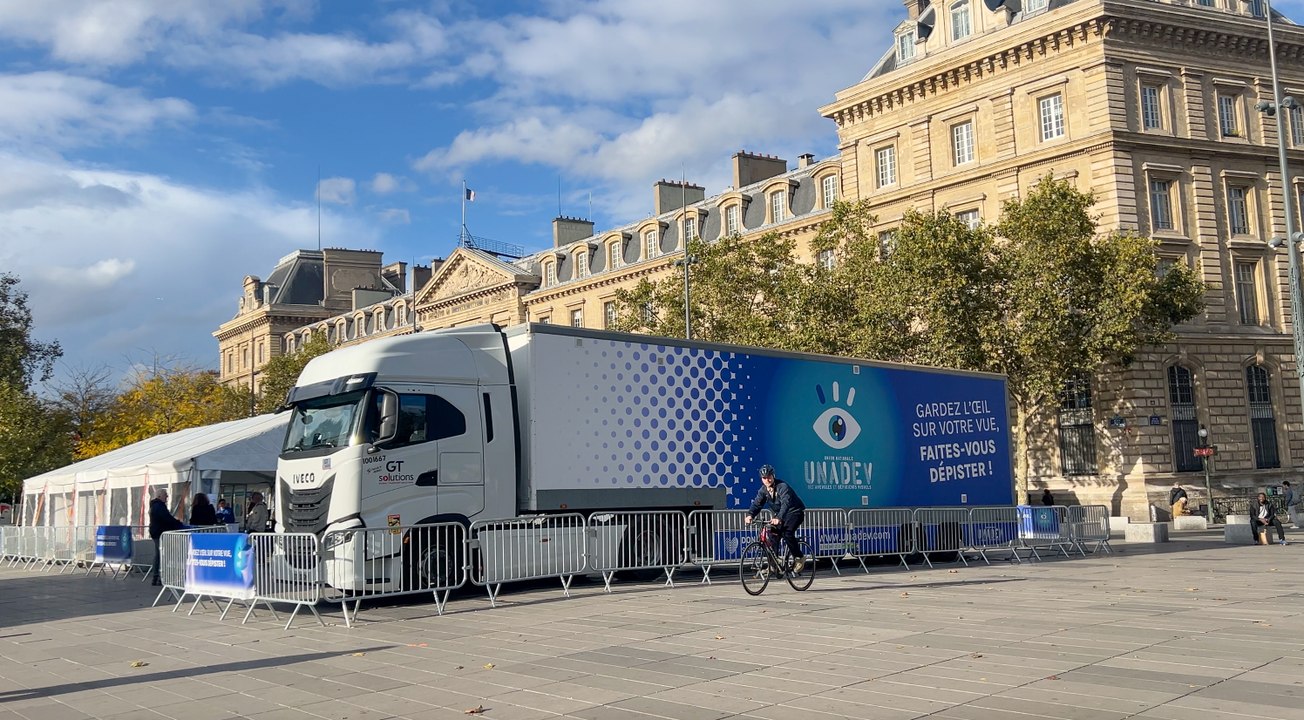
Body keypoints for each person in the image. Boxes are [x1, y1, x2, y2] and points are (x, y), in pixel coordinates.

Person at [743, 464, 807, 573]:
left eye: (769, 477)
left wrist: (778, 517)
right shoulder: (763, 490)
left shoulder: (782, 487)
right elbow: (757, 504)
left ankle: (799, 557)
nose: (767, 480)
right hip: (781, 515)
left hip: (795, 512)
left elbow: (786, 504)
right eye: (764, 478)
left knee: (787, 532)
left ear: (773, 476)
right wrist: (750, 515)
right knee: (772, 533)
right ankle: (773, 563)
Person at [148, 487, 184, 586]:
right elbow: (166, 518)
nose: (167, 497)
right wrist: (178, 524)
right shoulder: (159, 506)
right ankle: (161, 576)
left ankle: (156, 577)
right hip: (160, 532)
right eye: (165, 495)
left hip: (156, 532)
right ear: (160, 496)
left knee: (158, 554)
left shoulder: (155, 505)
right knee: (163, 554)